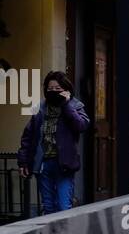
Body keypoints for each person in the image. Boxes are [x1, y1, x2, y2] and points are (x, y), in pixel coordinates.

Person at [18, 71, 89, 215]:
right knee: (48, 207)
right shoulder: (40, 108)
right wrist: (23, 162)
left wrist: (67, 105)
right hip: (43, 164)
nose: (54, 91)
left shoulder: (75, 105)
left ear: (66, 89)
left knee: (63, 207)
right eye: (50, 89)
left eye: (58, 88)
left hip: (64, 164)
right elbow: (28, 136)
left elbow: (81, 126)